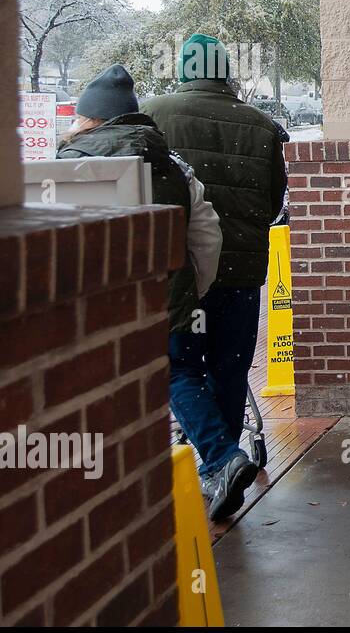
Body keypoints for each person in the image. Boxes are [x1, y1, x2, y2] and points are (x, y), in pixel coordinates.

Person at [56, 66, 257, 520]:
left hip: (106, 309)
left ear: (88, 119)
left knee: (160, 380)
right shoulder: (172, 164)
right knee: (181, 371)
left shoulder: (71, 161)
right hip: (173, 297)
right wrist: (193, 291)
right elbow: (207, 235)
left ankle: (221, 459)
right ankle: (218, 461)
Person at [142, 33, 288, 516]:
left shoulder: (155, 116)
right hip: (243, 274)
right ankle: (225, 480)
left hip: (185, 276)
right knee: (230, 370)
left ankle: (220, 461)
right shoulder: (261, 125)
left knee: (179, 367)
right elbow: (272, 204)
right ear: (227, 71)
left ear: (184, 70)